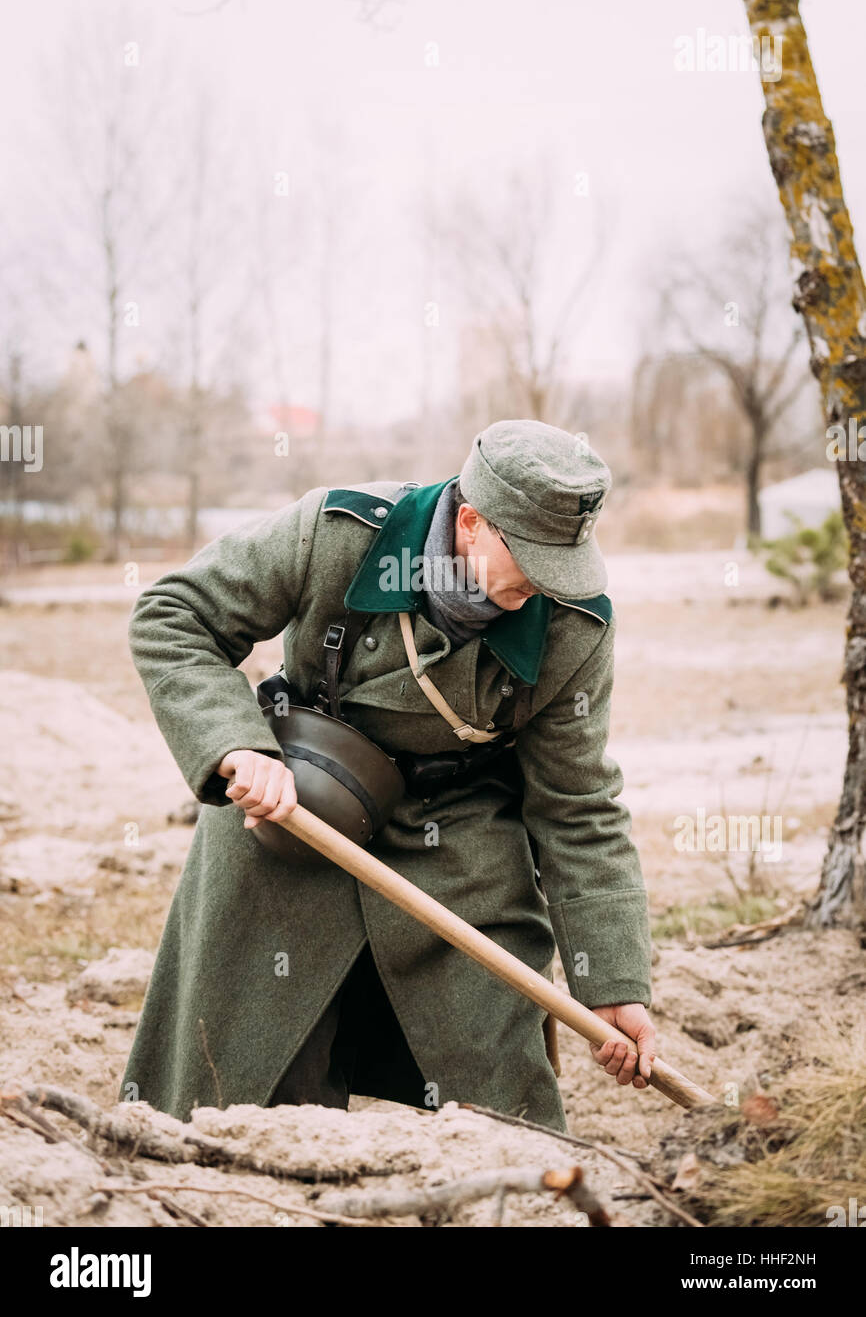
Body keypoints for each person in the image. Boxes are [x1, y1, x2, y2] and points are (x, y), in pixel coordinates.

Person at [120, 419, 656, 1132]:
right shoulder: (339, 533)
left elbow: (578, 806)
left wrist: (612, 984)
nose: (543, 586)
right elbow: (173, 614)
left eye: (562, 564)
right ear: (471, 522)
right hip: (294, 803)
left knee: (502, 1117)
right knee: (242, 1099)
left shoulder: (574, 626)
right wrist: (237, 748)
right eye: (528, 560)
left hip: (461, 835)